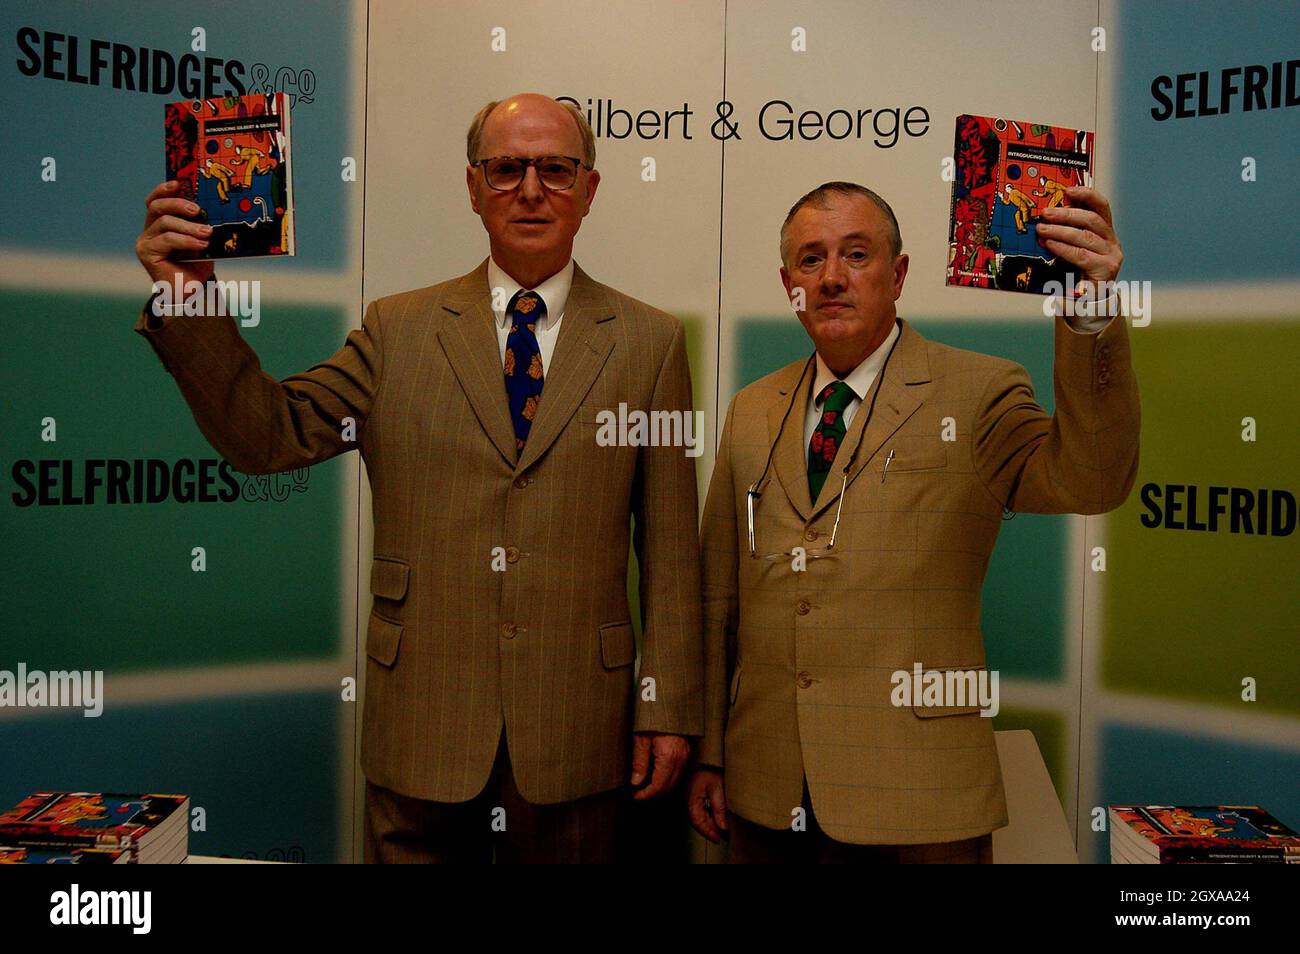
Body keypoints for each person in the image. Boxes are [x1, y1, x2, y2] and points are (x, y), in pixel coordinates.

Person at [133, 92, 704, 863]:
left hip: (580, 732)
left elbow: (670, 552)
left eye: (556, 170)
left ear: (590, 189)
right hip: (425, 725)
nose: (531, 190)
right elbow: (268, 436)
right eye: (506, 170)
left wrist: (664, 705)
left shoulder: (650, 342)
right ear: (473, 188)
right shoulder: (397, 330)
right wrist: (188, 291)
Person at [687, 181, 1139, 863]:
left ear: (898, 274)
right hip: (767, 794)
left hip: (922, 802)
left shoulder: (979, 390)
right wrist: (713, 757)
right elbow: (719, 596)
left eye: (857, 255)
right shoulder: (753, 407)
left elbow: (1092, 477)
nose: (832, 277)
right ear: (789, 284)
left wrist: (1092, 305)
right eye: (811, 261)